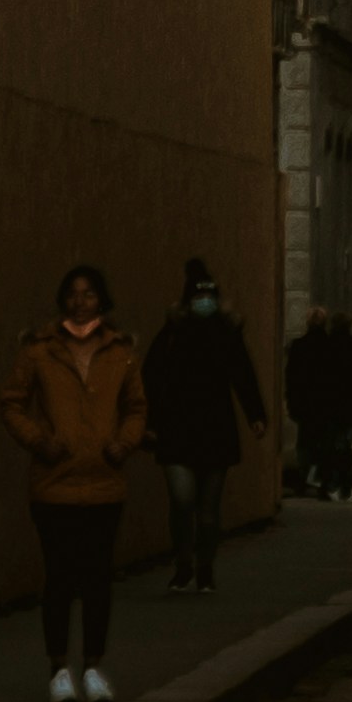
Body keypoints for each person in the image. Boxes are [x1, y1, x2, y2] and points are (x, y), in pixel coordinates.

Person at [4, 262, 145, 702]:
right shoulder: (39, 350)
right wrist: (40, 442)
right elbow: (11, 403)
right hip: (55, 483)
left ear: (101, 300)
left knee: (98, 578)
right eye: (72, 293)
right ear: (62, 299)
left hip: (104, 482)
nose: (80, 302)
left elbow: (136, 406)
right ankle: (59, 667)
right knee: (60, 578)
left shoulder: (120, 351)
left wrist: (124, 444)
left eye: (88, 294)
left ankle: (95, 666)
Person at [143, 255, 270, 597]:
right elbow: (151, 377)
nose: (204, 303)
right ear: (188, 301)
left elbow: (242, 375)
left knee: (209, 510)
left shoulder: (226, 334)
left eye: (209, 298)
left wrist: (255, 415)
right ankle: (184, 563)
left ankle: (204, 570)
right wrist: (148, 422)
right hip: (177, 427)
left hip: (214, 429)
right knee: (183, 500)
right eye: (199, 298)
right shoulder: (172, 333)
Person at [286, 300, 352, 504]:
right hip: (330, 404)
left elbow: (291, 376)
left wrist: (291, 400)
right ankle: (326, 481)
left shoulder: (299, 345)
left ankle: (306, 478)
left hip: (307, 403)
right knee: (330, 445)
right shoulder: (332, 345)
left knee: (306, 443)